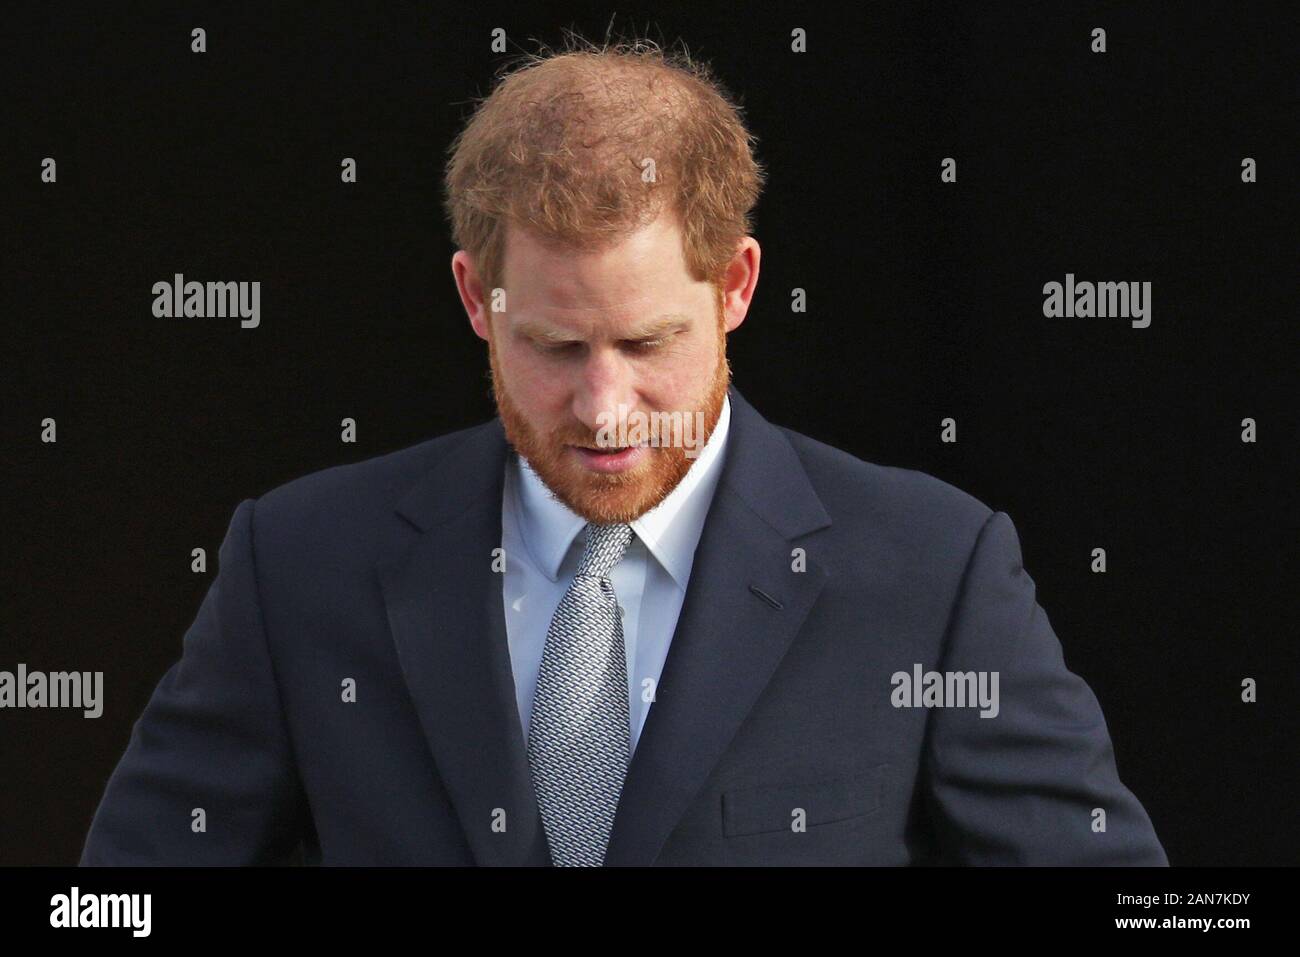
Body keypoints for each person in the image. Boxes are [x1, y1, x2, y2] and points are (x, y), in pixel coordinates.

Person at [80, 36, 1167, 866]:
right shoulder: (299, 564)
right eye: (553, 346)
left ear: (736, 286)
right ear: (474, 299)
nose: (605, 410)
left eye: (649, 342)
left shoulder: (932, 571)